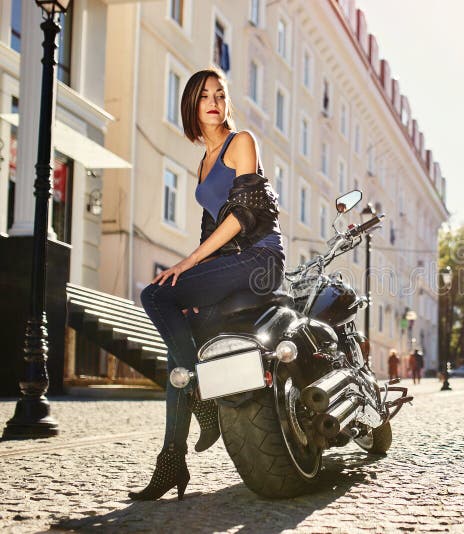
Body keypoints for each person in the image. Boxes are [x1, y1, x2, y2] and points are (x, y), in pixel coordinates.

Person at [129, 68, 284, 501]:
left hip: (258, 259)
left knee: (156, 293)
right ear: (192, 107)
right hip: (227, 266)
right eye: (203, 96)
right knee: (177, 350)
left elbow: (242, 217)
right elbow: (208, 229)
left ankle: (201, 400)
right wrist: (195, 276)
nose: (214, 101)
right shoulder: (204, 161)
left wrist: (190, 263)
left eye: (219, 94)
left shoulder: (242, 143)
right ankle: (172, 461)